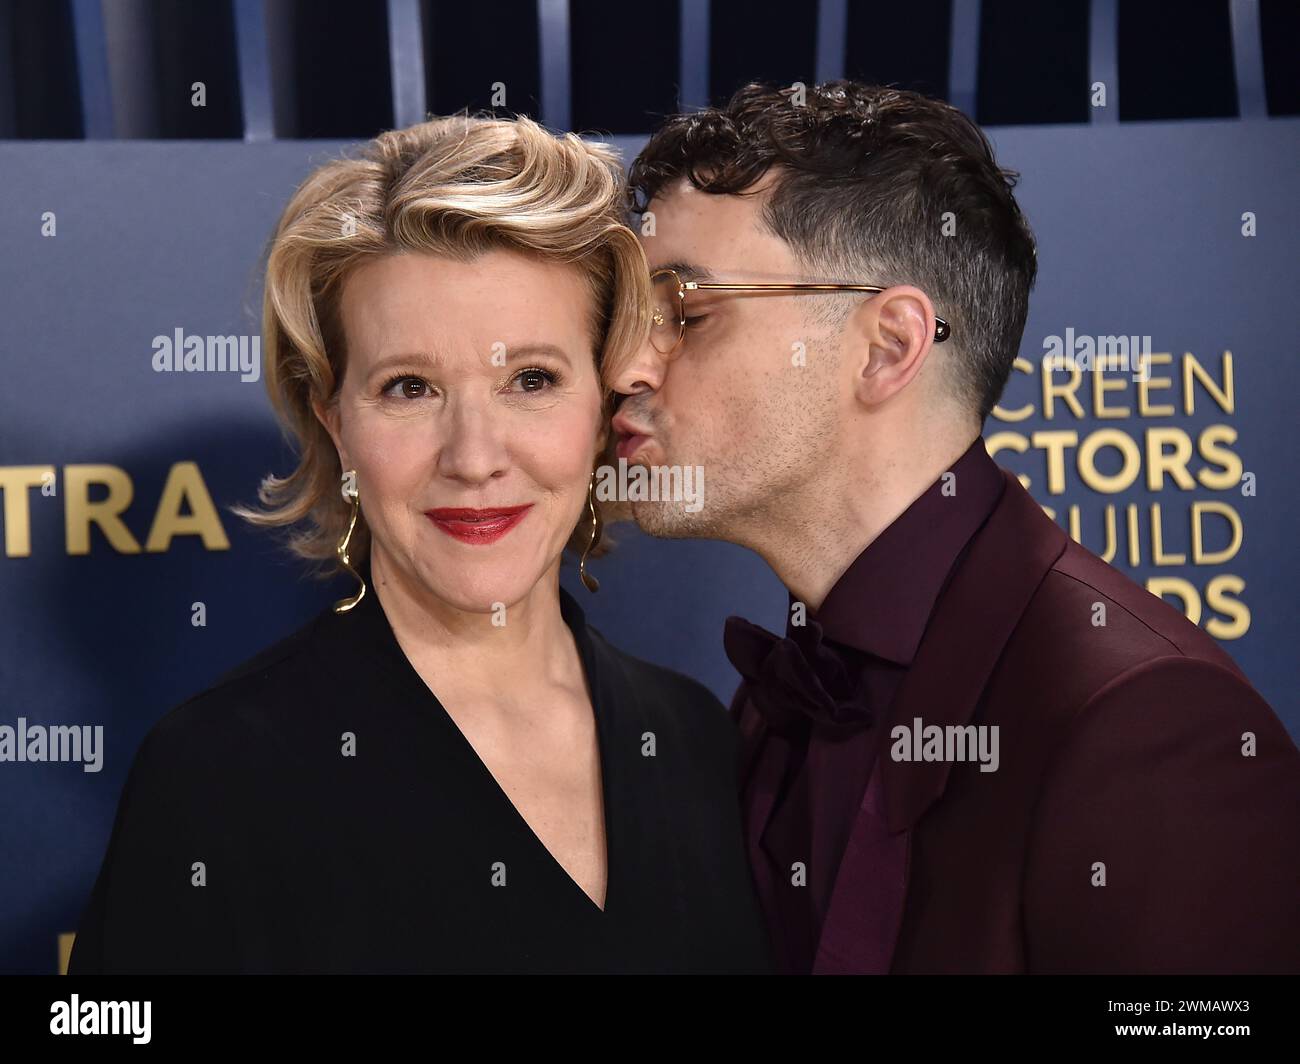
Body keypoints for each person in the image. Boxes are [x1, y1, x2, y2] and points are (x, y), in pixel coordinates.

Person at [612, 81, 1300, 974]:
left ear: (890, 346)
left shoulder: (1145, 723)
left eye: (688, 313)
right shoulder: (773, 702)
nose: (628, 364)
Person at [67, 114, 772, 974]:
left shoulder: (696, 738)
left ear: (604, 404)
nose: (474, 457)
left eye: (532, 380)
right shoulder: (218, 774)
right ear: (335, 421)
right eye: (409, 387)